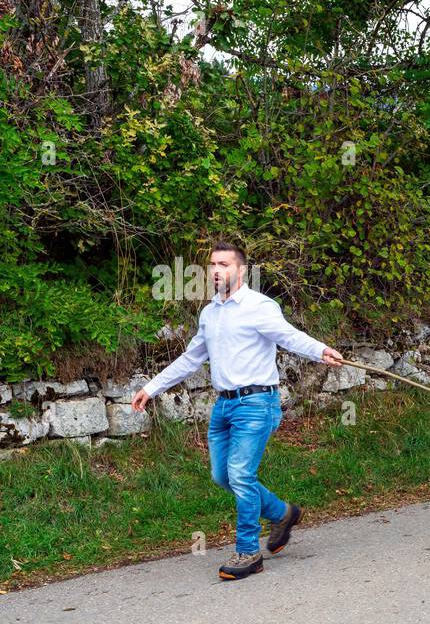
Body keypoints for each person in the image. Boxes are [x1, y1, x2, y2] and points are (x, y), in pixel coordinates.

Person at [131, 241, 343, 580]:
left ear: (241, 271)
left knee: (241, 475)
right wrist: (151, 387)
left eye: (224, 265)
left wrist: (321, 350)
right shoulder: (210, 312)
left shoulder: (260, 307)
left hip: (257, 404)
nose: (216, 271)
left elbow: (288, 336)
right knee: (223, 476)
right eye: (213, 265)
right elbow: (190, 358)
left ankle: (248, 552)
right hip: (224, 406)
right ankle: (283, 513)